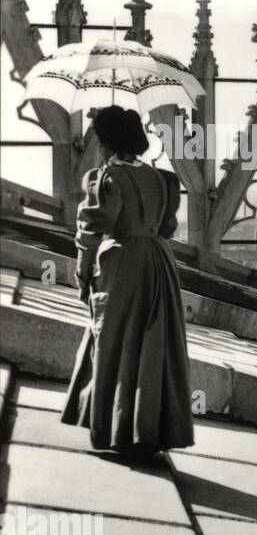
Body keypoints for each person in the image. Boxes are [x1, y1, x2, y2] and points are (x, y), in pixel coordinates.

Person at [61, 106, 194, 455]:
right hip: (159, 262)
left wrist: (83, 273)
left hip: (121, 265)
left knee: (114, 342)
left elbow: (91, 230)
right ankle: (147, 433)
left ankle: (115, 433)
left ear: (106, 141)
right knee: (153, 347)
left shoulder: (105, 178)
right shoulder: (159, 177)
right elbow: (166, 227)